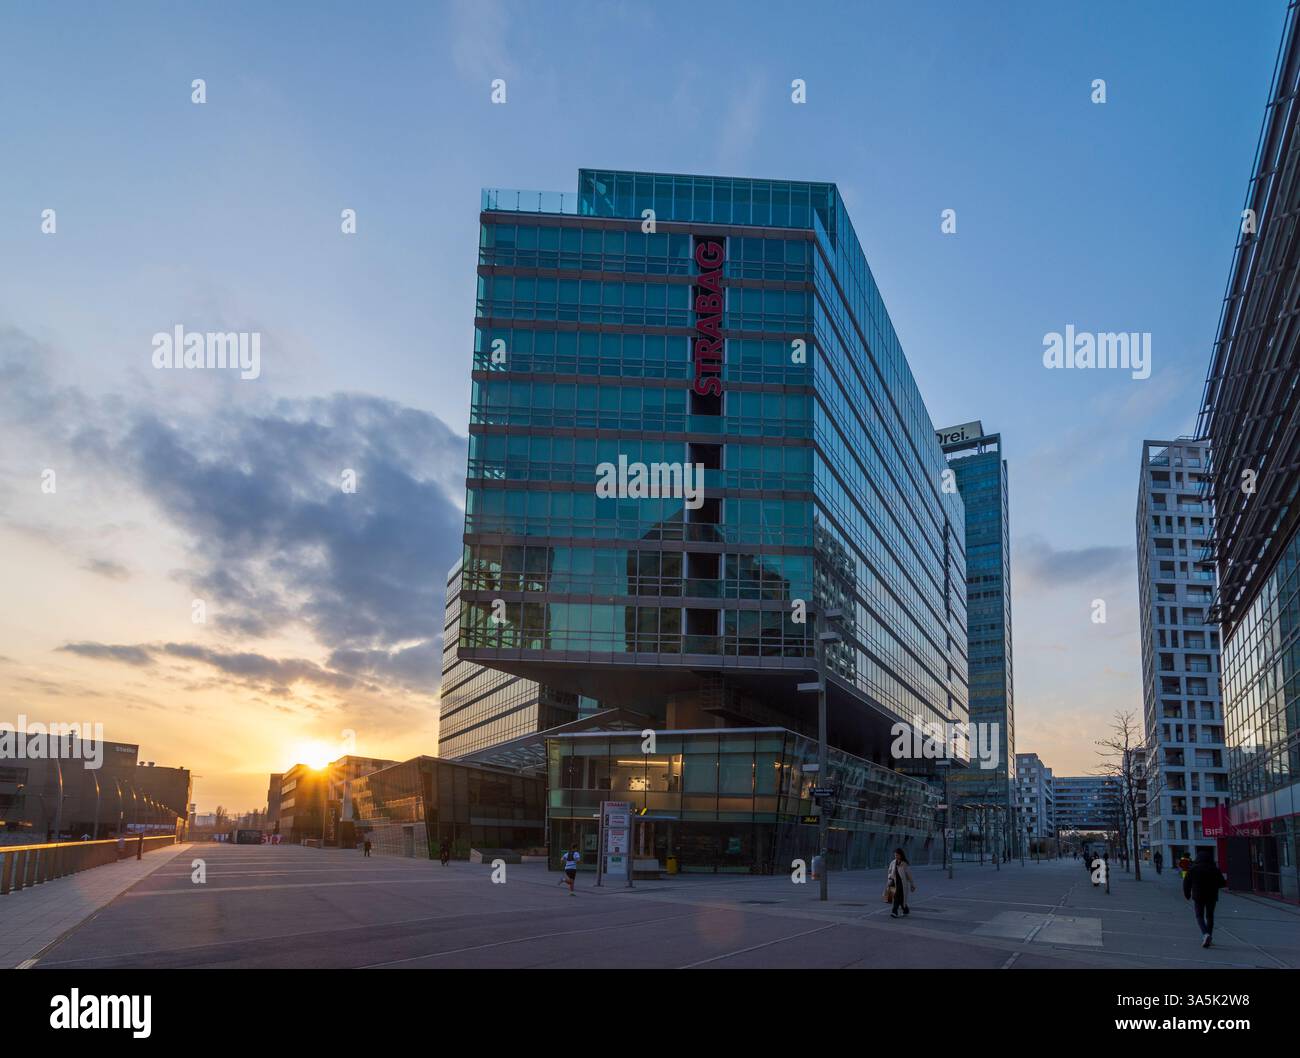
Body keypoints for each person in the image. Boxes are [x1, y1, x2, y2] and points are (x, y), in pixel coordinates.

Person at [1183, 848, 1226, 948]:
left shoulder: (1194, 869)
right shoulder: (1214, 869)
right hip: (1212, 895)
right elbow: (1222, 883)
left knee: (1199, 916)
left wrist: (1187, 894)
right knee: (1210, 916)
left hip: (1198, 895)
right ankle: (1209, 936)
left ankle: (1205, 934)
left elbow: (1186, 883)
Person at [886, 848, 916, 918]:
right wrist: (889, 877)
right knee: (900, 899)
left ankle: (894, 912)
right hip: (893, 882)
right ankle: (905, 910)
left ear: (901, 855)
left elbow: (908, 875)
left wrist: (912, 884)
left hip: (902, 884)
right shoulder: (893, 862)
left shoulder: (904, 864)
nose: (896, 856)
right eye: (895, 855)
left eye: (897, 855)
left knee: (897, 897)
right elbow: (889, 871)